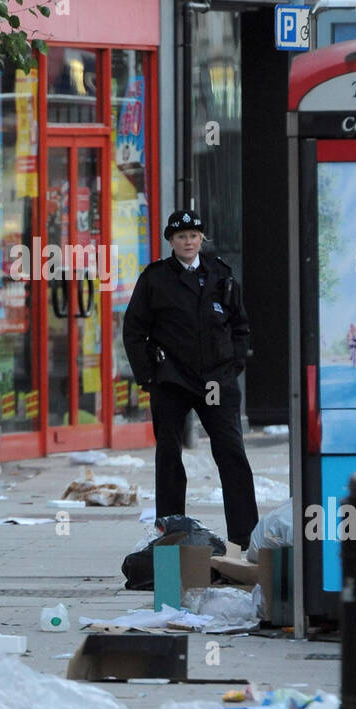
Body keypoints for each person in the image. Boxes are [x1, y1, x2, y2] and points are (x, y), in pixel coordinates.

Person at [122, 209, 259, 548]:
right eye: (181, 236)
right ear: (171, 240)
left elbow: (240, 327)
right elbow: (134, 330)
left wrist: (233, 367)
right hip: (173, 379)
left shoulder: (220, 275)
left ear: (202, 240)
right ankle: (171, 531)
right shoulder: (155, 278)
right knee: (169, 454)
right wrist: (149, 377)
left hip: (216, 381)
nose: (188, 242)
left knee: (231, 451)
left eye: (194, 236)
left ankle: (245, 534)